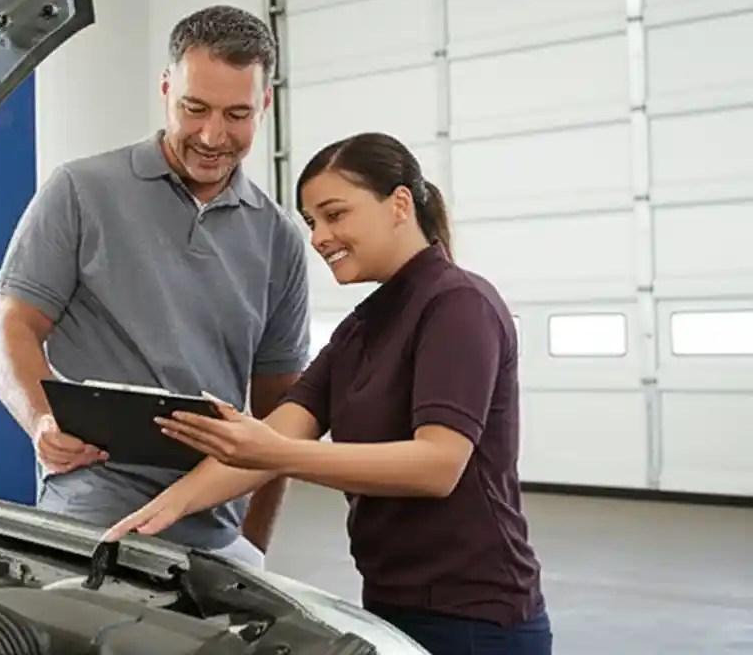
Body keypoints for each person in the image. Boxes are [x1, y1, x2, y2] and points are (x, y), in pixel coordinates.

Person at [102, 132, 552, 655]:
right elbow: (273, 436)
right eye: (311, 222)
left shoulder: (459, 305)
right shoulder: (361, 328)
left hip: (477, 618)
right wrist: (157, 514)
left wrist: (278, 455)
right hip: (392, 602)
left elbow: (438, 465)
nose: (318, 237)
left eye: (334, 215)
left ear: (400, 204)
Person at [0, 5, 311, 569]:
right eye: (195, 108)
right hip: (92, 512)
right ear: (166, 90)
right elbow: (9, 333)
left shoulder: (279, 236)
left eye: (237, 114)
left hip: (216, 534)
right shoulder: (80, 191)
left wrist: (255, 547)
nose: (213, 135)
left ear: (265, 106)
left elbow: (282, 414)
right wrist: (40, 419)